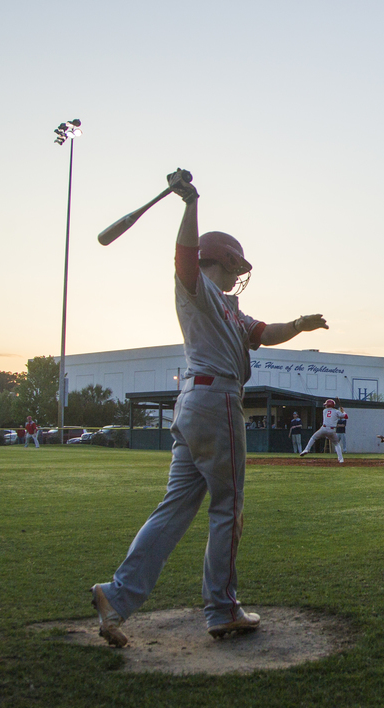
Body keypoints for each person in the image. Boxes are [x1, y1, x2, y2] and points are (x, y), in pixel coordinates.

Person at [89, 169, 329, 648]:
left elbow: (265, 332)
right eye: (237, 266)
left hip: (196, 404)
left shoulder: (229, 309)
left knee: (174, 508)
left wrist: (298, 324)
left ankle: (116, 595)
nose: (240, 274)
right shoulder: (196, 286)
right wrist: (190, 203)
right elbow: (183, 256)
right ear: (224, 260)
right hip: (216, 401)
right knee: (228, 508)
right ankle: (222, 608)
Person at [299, 399, 347, 463]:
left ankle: (306, 449)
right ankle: (341, 459)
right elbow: (346, 416)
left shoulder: (324, 411)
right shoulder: (336, 411)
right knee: (336, 444)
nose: (325, 406)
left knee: (313, 438)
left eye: (326, 404)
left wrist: (341, 412)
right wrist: (343, 411)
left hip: (324, 428)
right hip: (331, 430)